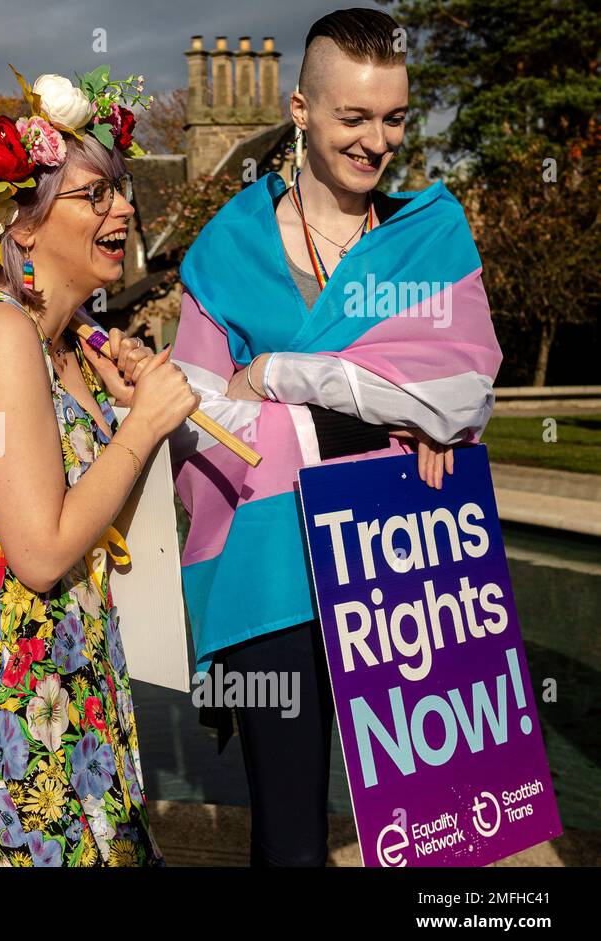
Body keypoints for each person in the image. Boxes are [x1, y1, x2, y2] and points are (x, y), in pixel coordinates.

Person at [168, 7, 502, 866]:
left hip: (407, 552)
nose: (377, 141)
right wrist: (391, 407)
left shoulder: (430, 236)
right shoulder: (224, 250)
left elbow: (463, 390)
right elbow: (200, 423)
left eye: (393, 117)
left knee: (447, 828)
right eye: (353, 117)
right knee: (290, 839)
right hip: (268, 565)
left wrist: (283, 375)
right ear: (301, 110)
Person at [0, 65, 200, 867]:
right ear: (23, 226)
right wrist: (144, 431)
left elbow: (96, 514)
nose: (123, 208)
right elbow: (38, 549)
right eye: (94, 195)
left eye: (120, 190)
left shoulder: (62, 346)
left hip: (62, 659)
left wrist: (131, 416)